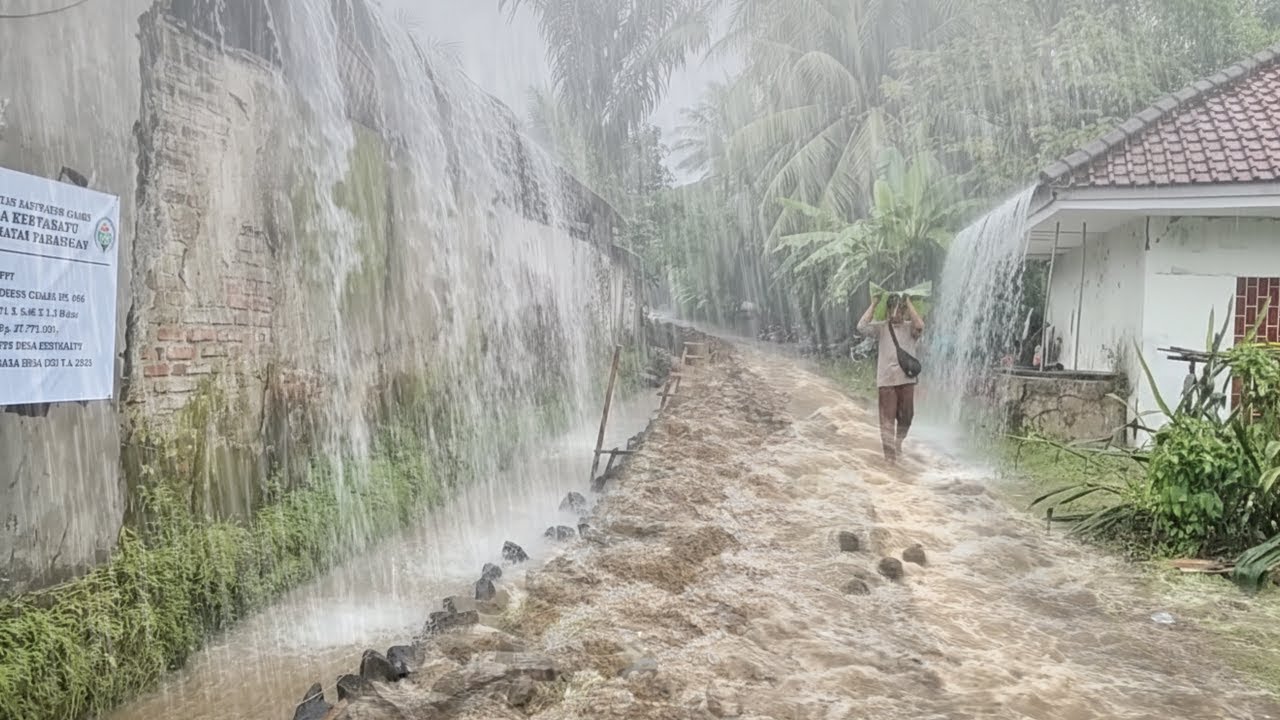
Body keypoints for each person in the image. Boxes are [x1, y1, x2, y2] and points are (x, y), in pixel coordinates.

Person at [857, 293, 925, 464]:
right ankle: (890, 461)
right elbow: (861, 326)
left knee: (907, 417)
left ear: (903, 311)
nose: (895, 314)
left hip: (906, 381)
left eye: (899, 310)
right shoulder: (881, 328)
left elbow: (920, 325)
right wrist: (874, 303)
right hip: (886, 381)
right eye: (891, 310)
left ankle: (898, 442)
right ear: (887, 311)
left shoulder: (910, 328)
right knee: (887, 422)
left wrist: (908, 302)